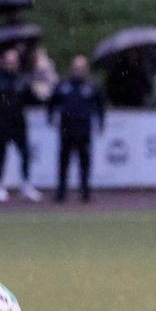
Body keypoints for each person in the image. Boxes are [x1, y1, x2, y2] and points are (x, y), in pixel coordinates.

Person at [0, 48, 40, 201]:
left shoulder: (22, 80)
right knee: (0, 156)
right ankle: (0, 185)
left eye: (14, 62)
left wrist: (42, 89)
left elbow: (34, 99)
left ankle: (26, 184)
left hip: (18, 122)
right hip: (1, 122)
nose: (11, 65)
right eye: (8, 61)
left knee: (25, 154)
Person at [47, 54, 104, 203]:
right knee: (63, 163)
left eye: (81, 68)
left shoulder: (92, 86)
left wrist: (101, 123)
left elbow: (100, 106)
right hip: (66, 129)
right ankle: (61, 193)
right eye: (76, 68)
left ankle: (85, 193)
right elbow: (52, 103)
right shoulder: (63, 85)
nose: (78, 71)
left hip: (83, 130)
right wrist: (50, 118)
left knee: (84, 163)